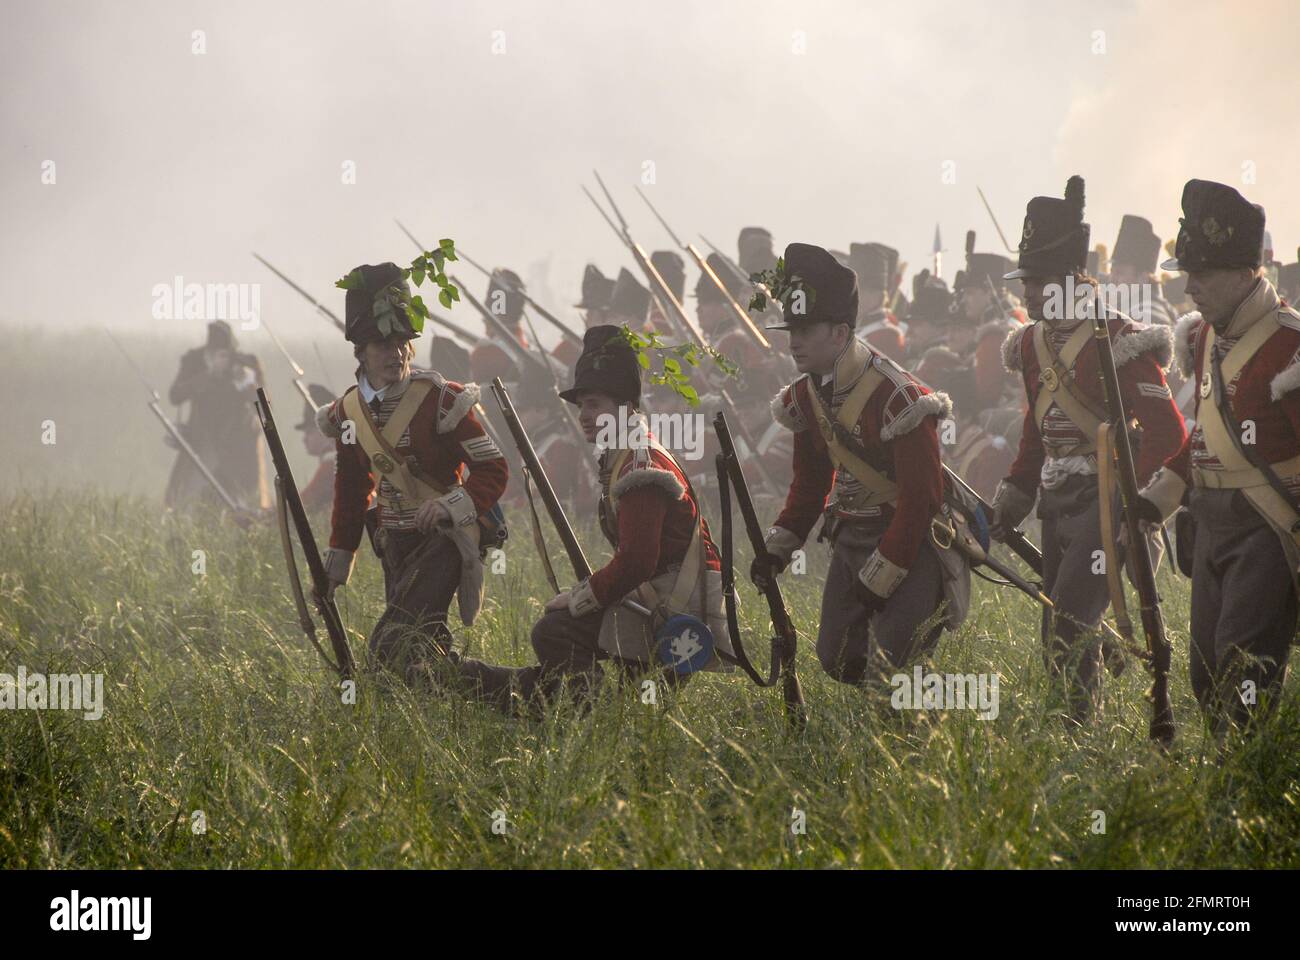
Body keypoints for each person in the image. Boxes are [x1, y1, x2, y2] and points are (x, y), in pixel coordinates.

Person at [989, 177, 1186, 723]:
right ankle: (1080, 721)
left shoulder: (1119, 339)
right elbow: (1036, 430)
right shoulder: (1031, 345)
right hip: (1057, 503)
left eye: (1038, 281)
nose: (1026, 292)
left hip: (1109, 504)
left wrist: (1132, 507)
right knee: (1060, 623)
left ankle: (1076, 733)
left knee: (1068, 627)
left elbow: (1169, 436)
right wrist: (1015, 495)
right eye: (1025, 280)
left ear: (1072, 279)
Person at [456, 325, 731, 712]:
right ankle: (536, 698)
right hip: (660, 594)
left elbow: (638, 560)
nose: (583, 415)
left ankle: (587, 715)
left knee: (555, 631)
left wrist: (582, 597)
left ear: (625, 407)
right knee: (631, 701)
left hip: (676, 604)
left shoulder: (640, 465)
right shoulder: (624, 453)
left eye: (594, 404)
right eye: (582, 404)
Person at [751, 243, 970, 688]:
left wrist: (887, 568)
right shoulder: (804, 397)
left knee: (889, 676)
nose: (793, 342)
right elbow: (810, 486)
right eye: (791, 329)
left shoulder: (898, 397)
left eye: (806, 330)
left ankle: (921, 744)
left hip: (911, 548)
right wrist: (778, 547)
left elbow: (922, 497)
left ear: (838, 333)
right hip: (850, 539)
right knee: (835, 658)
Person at [1138, 179, 1300, 737]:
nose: (1190, 288)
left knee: (1242, 667)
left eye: (1201, 274)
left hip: (1266, 528)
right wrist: (1155, 501)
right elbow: (1207, 436)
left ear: (1243, 271)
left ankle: (1247, 789)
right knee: (1205, 672)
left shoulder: (1289, 344)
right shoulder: (1207, 336)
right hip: (1209, 522)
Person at [316, 262, 508, 683]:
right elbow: (351, 492)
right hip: (394, 542)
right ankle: (513, 693)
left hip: (444, 542)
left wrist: (450, 504)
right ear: (361, 351)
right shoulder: (349, 412)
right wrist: (337, 562)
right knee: (421, 655)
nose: (395, 352)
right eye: (382, 343)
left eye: (402, 341)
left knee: (391, 644)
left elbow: (493, 468)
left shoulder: (441, 400)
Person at [163, 320, 269, 512]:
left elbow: (263, 406)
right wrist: (208, 375)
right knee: (188, 499)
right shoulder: (194, 362)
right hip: (202, 439)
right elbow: (175, 395)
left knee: (243, 499)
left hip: (239, 442)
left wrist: (246, 383)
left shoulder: (246, 364)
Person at [296, 382, 338, 513]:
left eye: (309, 432)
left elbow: (302, 504)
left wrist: (259, 517)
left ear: (323, 432)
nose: (304, 439)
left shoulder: (332, 464)